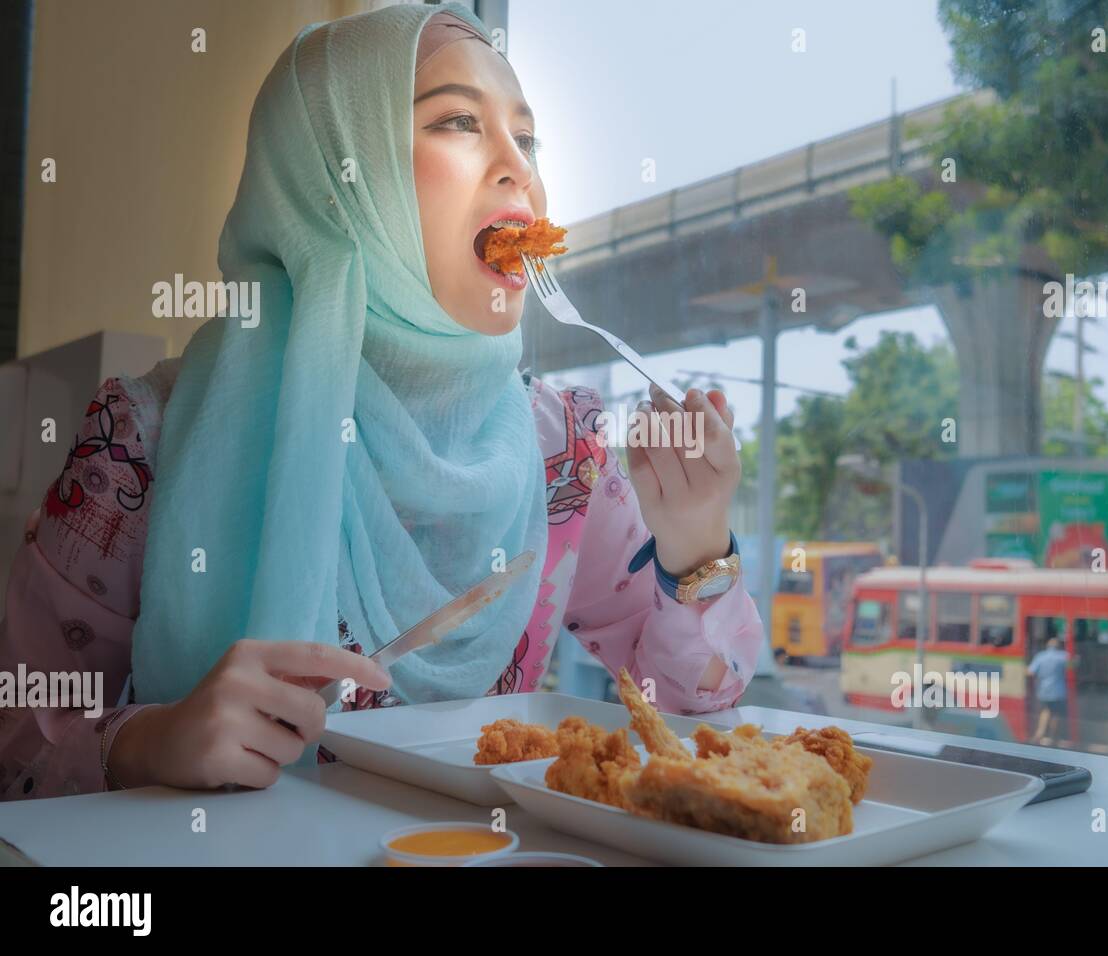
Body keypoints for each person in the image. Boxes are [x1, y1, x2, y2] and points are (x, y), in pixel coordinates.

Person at [0, 4, 762, 800]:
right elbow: (16, 735)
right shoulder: (143, 438)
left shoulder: (560, 450)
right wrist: (151, 739)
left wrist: (693, 546)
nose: (519, 169)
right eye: (459, 121)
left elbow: (696, 714)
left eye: (527, 138)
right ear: (335, 173)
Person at [1028, 638, 1069, 746]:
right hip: (1058, 690)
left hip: (1044, 689)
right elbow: (1073, 666)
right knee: (1056, 713)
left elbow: (1030, 672)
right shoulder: (1063, 656)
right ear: (1059, 646)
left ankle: (1039, 734)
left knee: (1045, 711)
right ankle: (1052, 736)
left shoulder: (1040, 656)